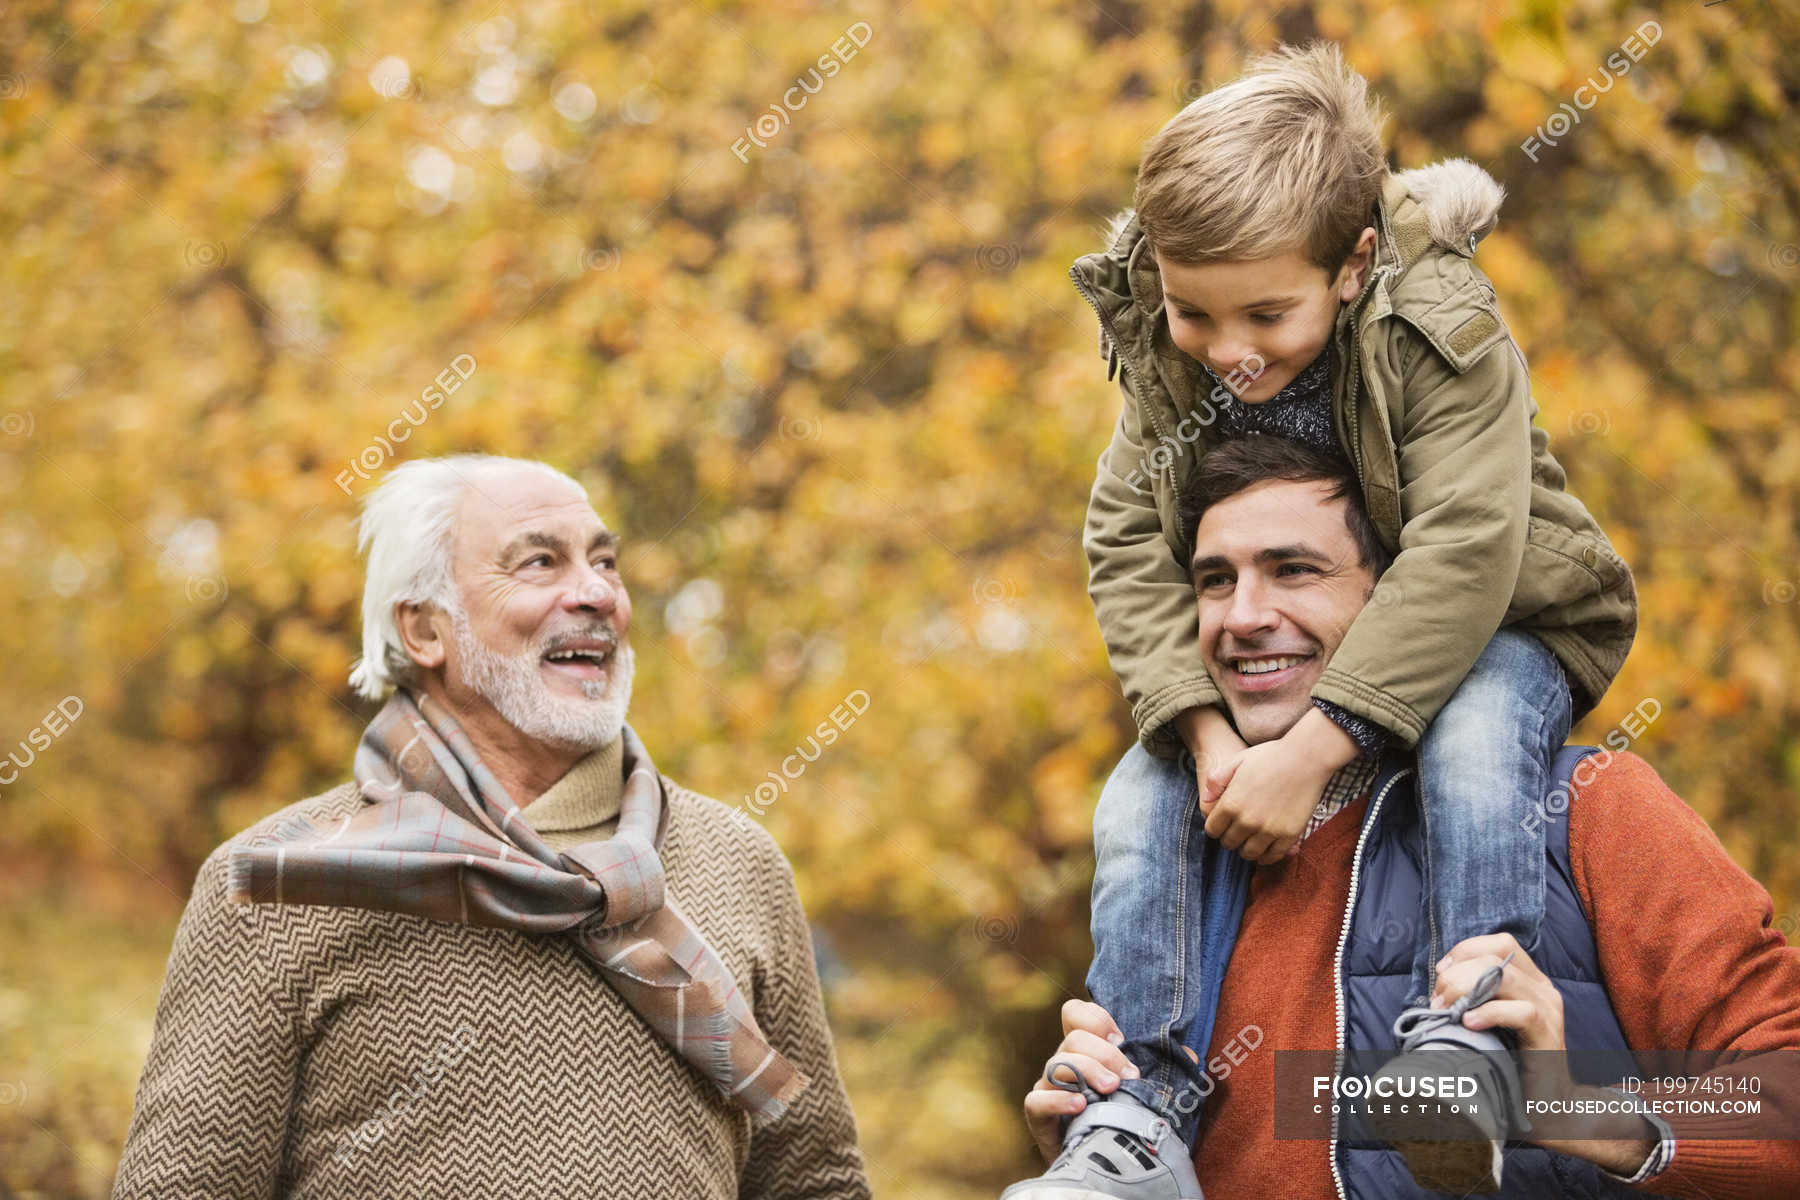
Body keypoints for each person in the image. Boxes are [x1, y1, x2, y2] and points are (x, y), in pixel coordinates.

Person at [1005, 42, 1635, 1197]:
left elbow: (1464, 547)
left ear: (1351, 266)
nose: (1228, 352)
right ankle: (1138, 1103)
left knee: (1478, 741)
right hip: (1309, 693)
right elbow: (1127, 541)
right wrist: (1203, 740)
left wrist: (1315, 746)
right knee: (1139, 798)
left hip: (1510, 612)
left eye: (1264, 314)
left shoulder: (1434, 320)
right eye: (1195, 313)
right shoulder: (1172, 350)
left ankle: (1472, 1030)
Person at [1023, 437, 1800, 1198]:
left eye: (1294, 570)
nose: (1244, 616)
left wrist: (1567, 1105)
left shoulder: (1590, 808)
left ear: (1397, 598)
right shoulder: (1170, 872)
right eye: (1215, 581)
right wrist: (1100, 1136)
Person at [112, 454, 870, 1199]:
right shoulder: (282, 880)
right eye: (541, 563)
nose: (597, 593)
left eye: (605, 562)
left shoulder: (738, 862)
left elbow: (816, 1180)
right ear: (425, 631)